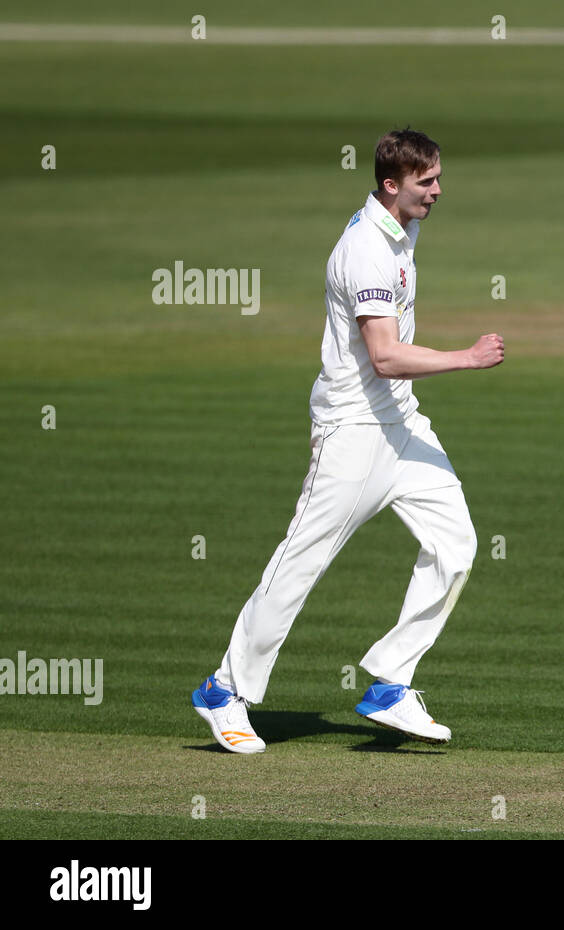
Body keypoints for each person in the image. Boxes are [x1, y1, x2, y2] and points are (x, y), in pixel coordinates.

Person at [191, 129, 505, 753]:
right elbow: (384, 356)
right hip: (354, 430)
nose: (439, 191)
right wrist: (468, 360)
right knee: (303, 561)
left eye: (438, 178)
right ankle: (223, 690)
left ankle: (391, 683)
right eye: (427, 182)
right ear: (392, 185)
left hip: (402, 424)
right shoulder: (365, 248)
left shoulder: (399, 228)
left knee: (456, 545)